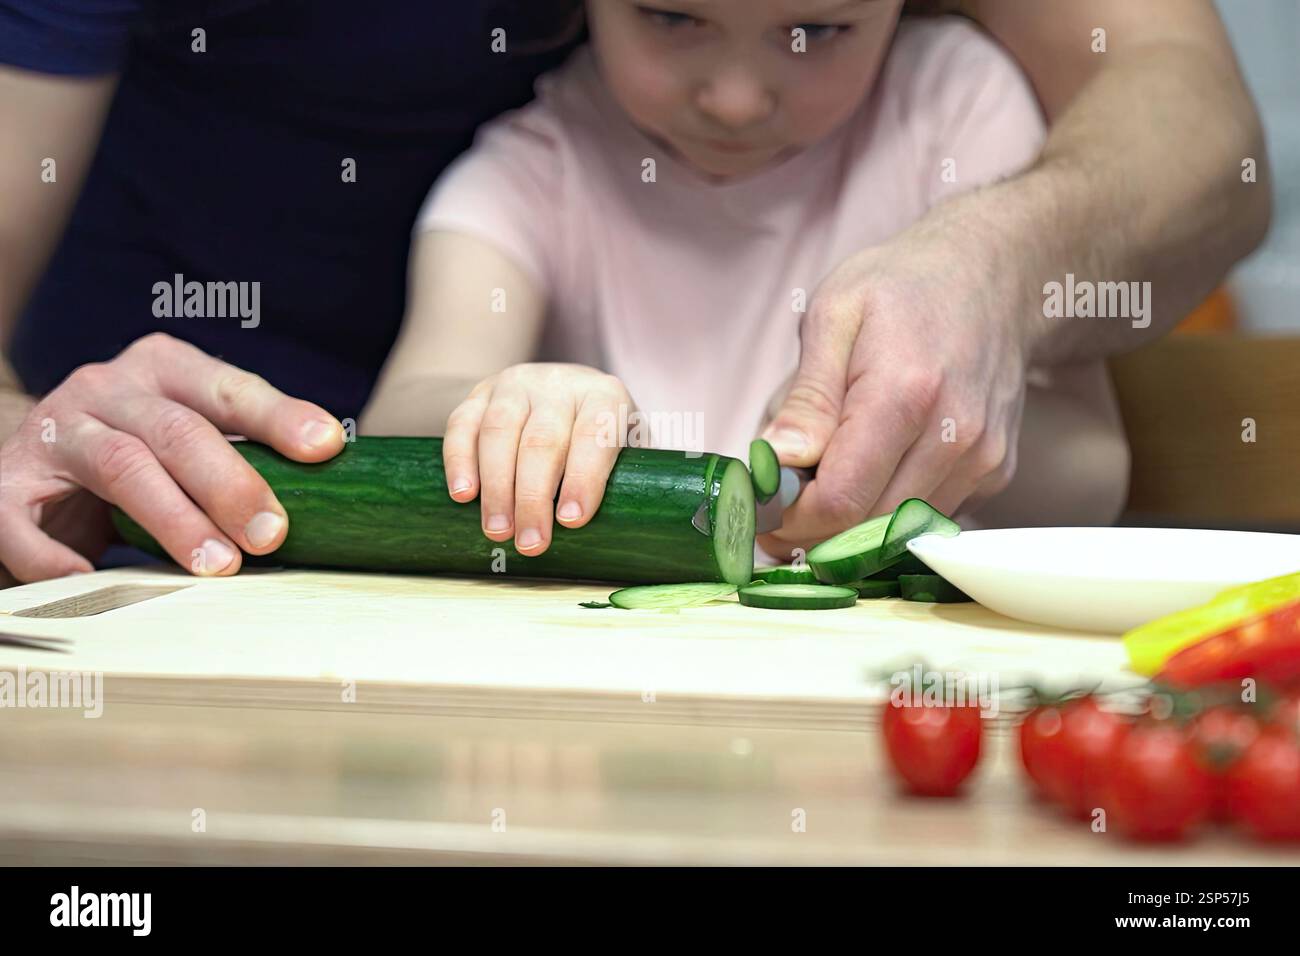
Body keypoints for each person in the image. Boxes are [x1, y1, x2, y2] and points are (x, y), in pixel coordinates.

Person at [0, 1, 1271, 582]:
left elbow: (1085, 461)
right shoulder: (523, 175)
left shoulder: (967, 109)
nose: (735, 94)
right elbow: (410, 407)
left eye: (817, 32)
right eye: (671, 20)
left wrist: (921, 451)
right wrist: (500, 406)